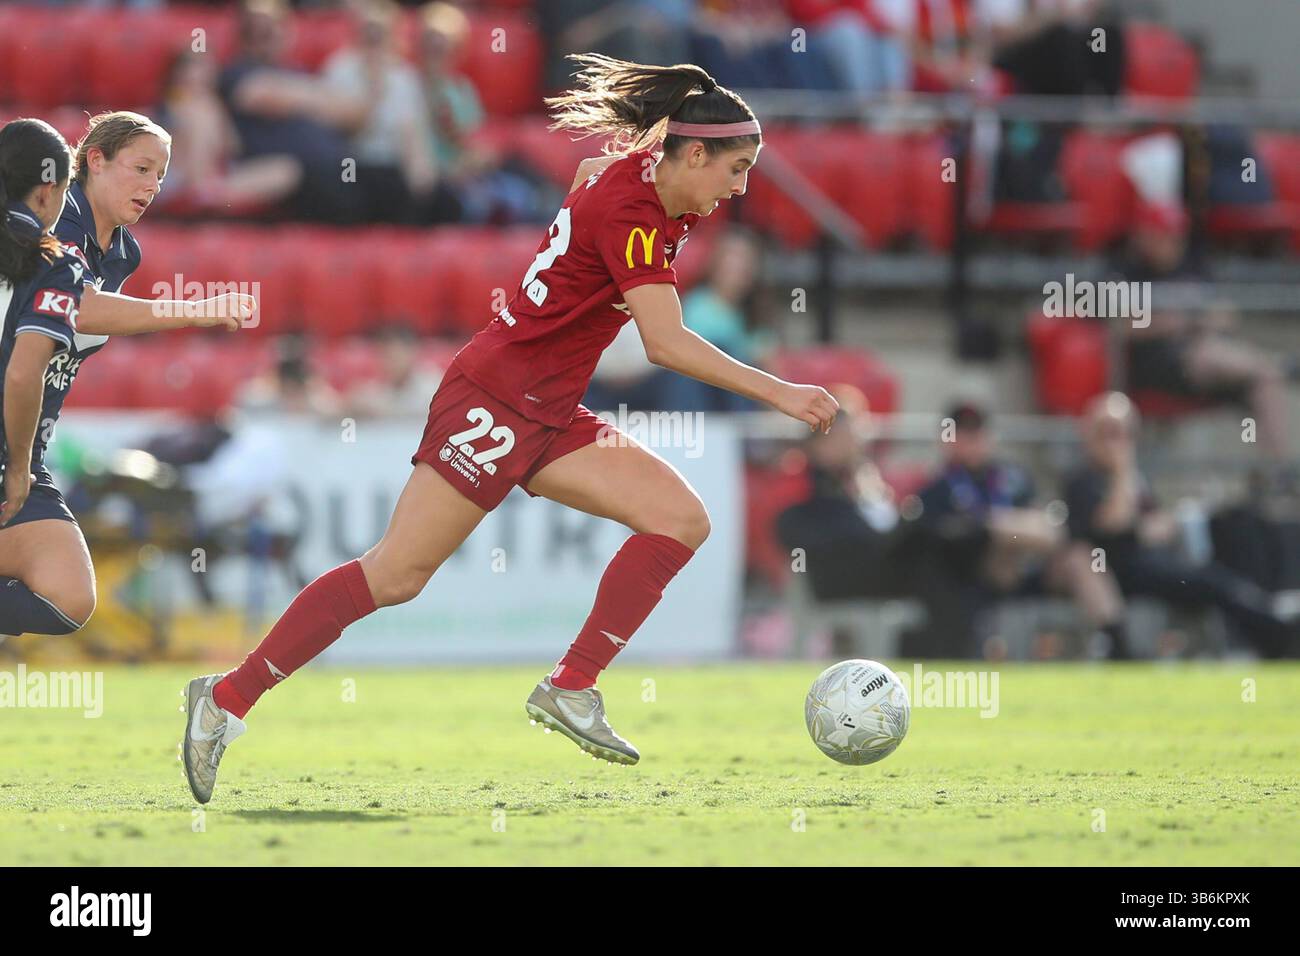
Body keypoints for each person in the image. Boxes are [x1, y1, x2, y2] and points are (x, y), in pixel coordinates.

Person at [181, 54, 839, 804]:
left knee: (679, 519)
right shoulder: (634, 210)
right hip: (492, 399)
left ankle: (572, 684)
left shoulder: (652, 189)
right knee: (396, 574)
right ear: (693, 153)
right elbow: (664, 342)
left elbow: (592, 170)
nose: (741, 186)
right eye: (737, 167)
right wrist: (779, 391)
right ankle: (224, 701)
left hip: (550, 407)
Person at [0, 115, 253, 639]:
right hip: (12, 435)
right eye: (140, 168)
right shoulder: (56, 216)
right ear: (94, 160)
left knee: (68, 599)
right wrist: (194, 310)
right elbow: (79, 310)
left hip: (26, 443)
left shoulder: (121, 253)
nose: (152, 186)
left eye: (160, 176)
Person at [1063, 391, 1298, 659]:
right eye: (1108, 432)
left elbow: (1157, 524)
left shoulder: (1136, 477)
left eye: (1124, 432)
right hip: (1120, 572)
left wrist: (1157, 522)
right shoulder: (1084, 479)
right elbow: (1113, 522)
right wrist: (1123, 469)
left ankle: (1274, 628)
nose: (1118, 442)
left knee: (1232, 542)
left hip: (1157, 562)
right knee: (1214, 584)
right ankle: (1279, 634)